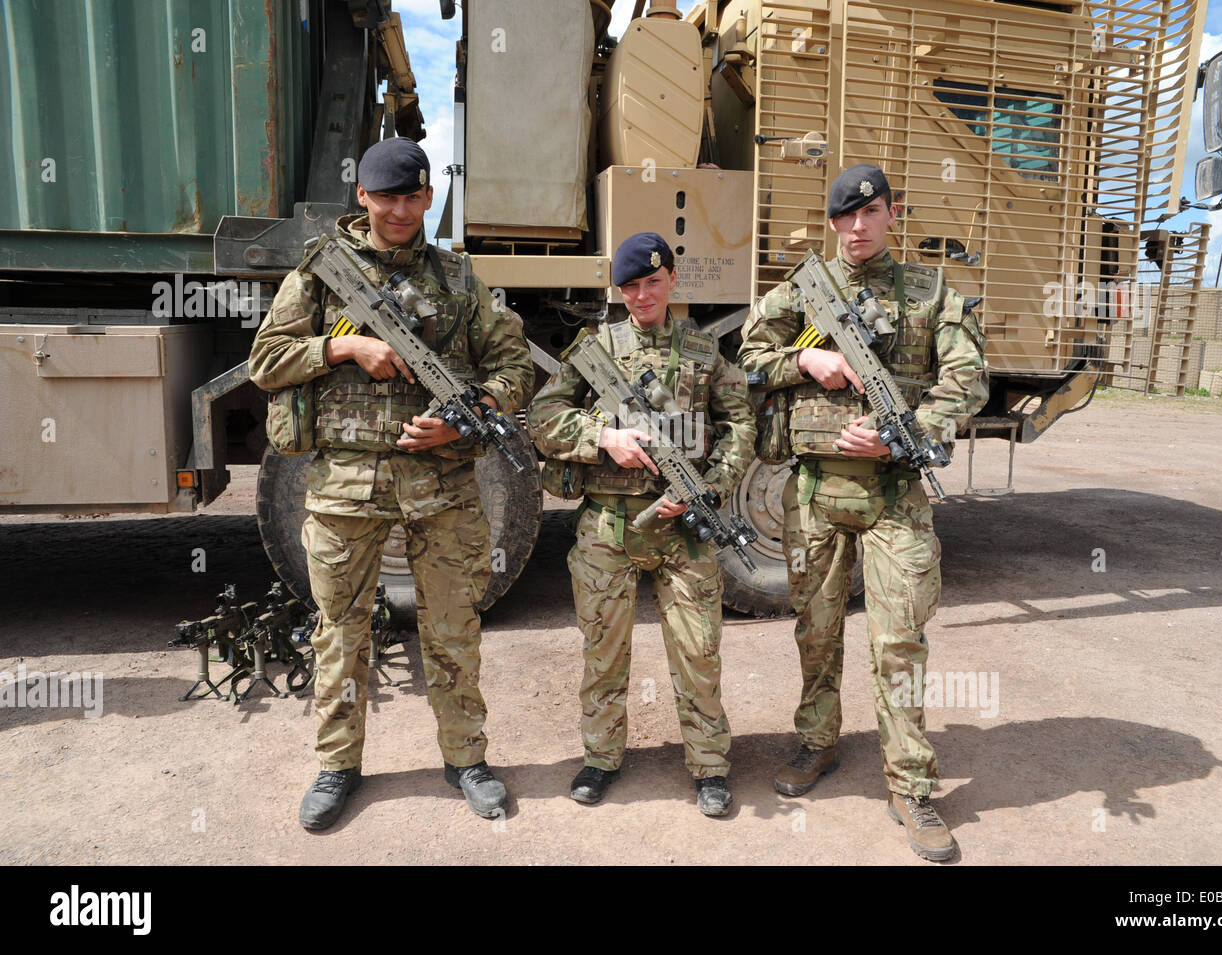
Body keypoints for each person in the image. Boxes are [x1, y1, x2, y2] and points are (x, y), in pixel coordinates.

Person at [248, 136, 533, 829]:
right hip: (346, 491)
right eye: (386, 197)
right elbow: (265, 360)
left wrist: (461, 425)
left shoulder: (461, 279)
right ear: (363, 197)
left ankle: (466, 757)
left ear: (429, 198)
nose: (399, 210)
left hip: (443, 490)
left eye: (412, 196)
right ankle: (337, 765)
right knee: (340, 633)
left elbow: (516, 370)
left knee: (453, 629)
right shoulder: (322, 275)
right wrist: (345, 346)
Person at [737, 163, 988, 861]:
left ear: (892, 212)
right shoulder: (803, 289)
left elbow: (966, 381)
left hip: (892, 497)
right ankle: (818, 743)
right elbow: (748, 357)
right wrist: (804, 363)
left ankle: (910, 783)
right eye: (843, 217)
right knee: (815, 633)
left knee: (898, 640)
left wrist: (902, 428)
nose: (855, 227)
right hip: (815, 492)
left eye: (869, 212)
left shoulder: (933, 293)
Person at [528, 232, 756, 817]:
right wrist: (603, 438)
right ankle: (601, 758)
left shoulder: (705, 353)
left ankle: (708, 765)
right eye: (629, 286)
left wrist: (712, 487)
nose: (641, 295)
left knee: (698, 651)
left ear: (673, 280)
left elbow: (740, 426)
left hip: (684, 531)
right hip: (608, 527)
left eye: (652, 282)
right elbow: (543, 418)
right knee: (603, 652)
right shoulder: (594, 351)